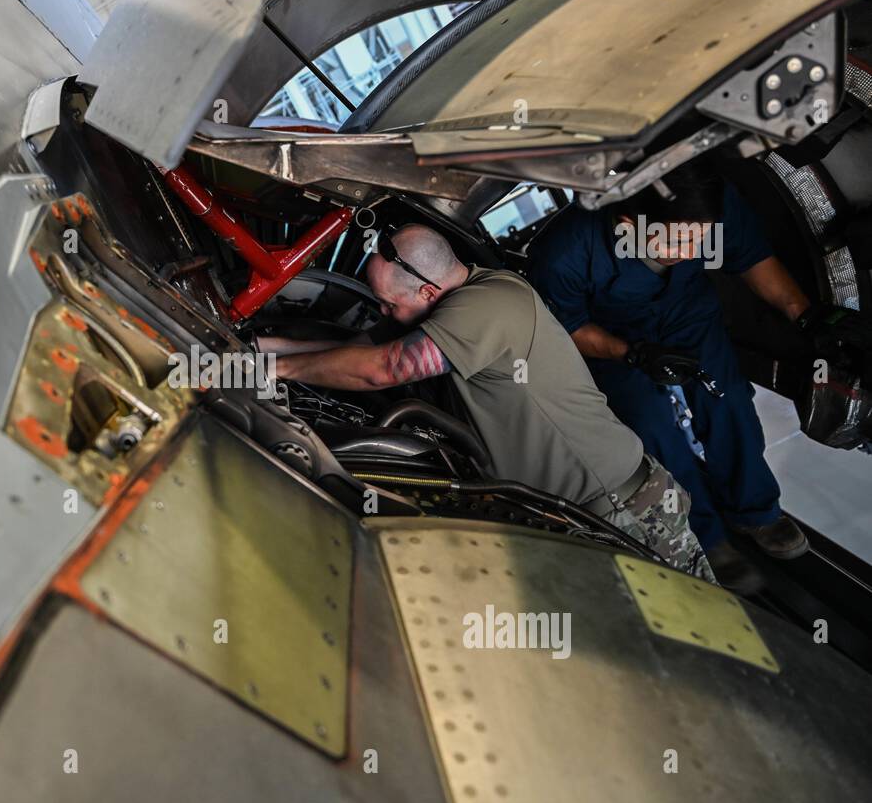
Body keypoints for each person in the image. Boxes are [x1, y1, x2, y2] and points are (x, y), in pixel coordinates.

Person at [262, 223, 714, 581]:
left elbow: (387, 367)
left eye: (386, 304)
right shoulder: (446, 304)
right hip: (575, 516)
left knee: (697, 647)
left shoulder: (489, 305)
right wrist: (262, 349)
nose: (381, 313)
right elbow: (360, 348)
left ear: (426, 292)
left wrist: (273, 372)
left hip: (623, 512)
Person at [527, 163, 830, 590]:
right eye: (678, 241)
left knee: (729, 402)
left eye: (700, 240)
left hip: (688, 316)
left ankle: (757, 512)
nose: (691, 251)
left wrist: (810, 320)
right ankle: (703, 538)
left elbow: (754, 259)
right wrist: (631, 354)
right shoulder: (566, 249)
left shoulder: (710, 202)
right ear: (628, 223)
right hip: (612, 338)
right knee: (652, 428)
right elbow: (569, 328)